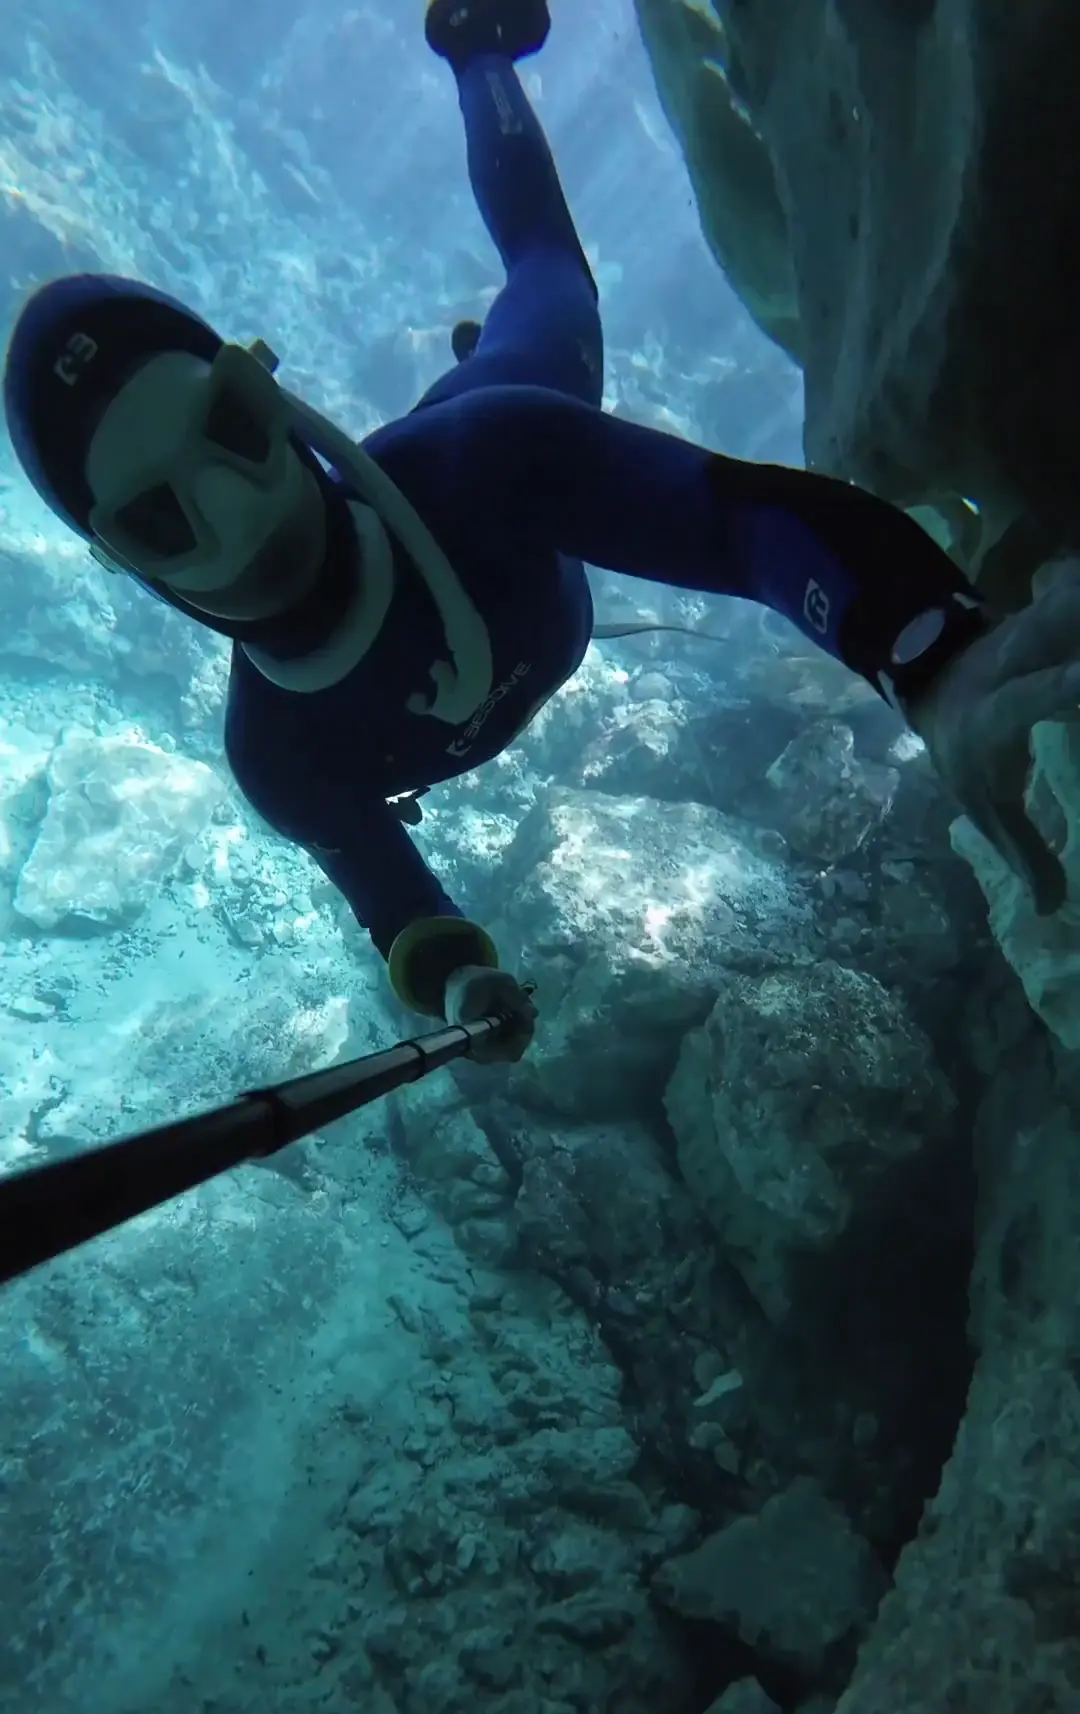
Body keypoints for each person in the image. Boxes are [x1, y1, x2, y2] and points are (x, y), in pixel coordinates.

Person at [4, 0, 1078, 1067]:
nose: (237, 512)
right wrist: (463, 980)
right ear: (125, 563)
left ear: (271, 398)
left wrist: (931, 652)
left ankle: (474, 47)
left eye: (231, 425)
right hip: (483, 478)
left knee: (553, 281)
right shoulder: (277, 757)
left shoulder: (490, 462)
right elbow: (394, 903)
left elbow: (744, 523)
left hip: (498, 400)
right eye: (161, 514)